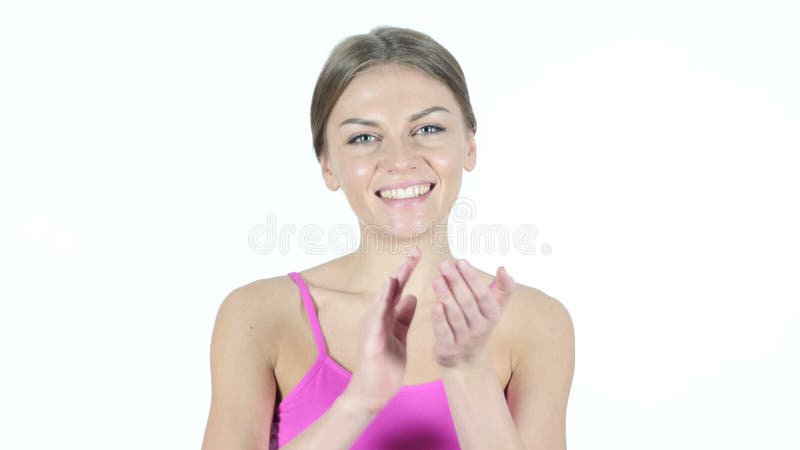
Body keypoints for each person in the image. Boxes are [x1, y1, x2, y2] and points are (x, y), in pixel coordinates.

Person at [201, 26, 575, 450]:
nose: (400, 160)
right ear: (327, 165)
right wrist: (360, 401)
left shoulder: (537, 323)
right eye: (364, 138)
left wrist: (470, 371)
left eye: (428, 129)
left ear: (469, 146)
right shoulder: (257, 316)